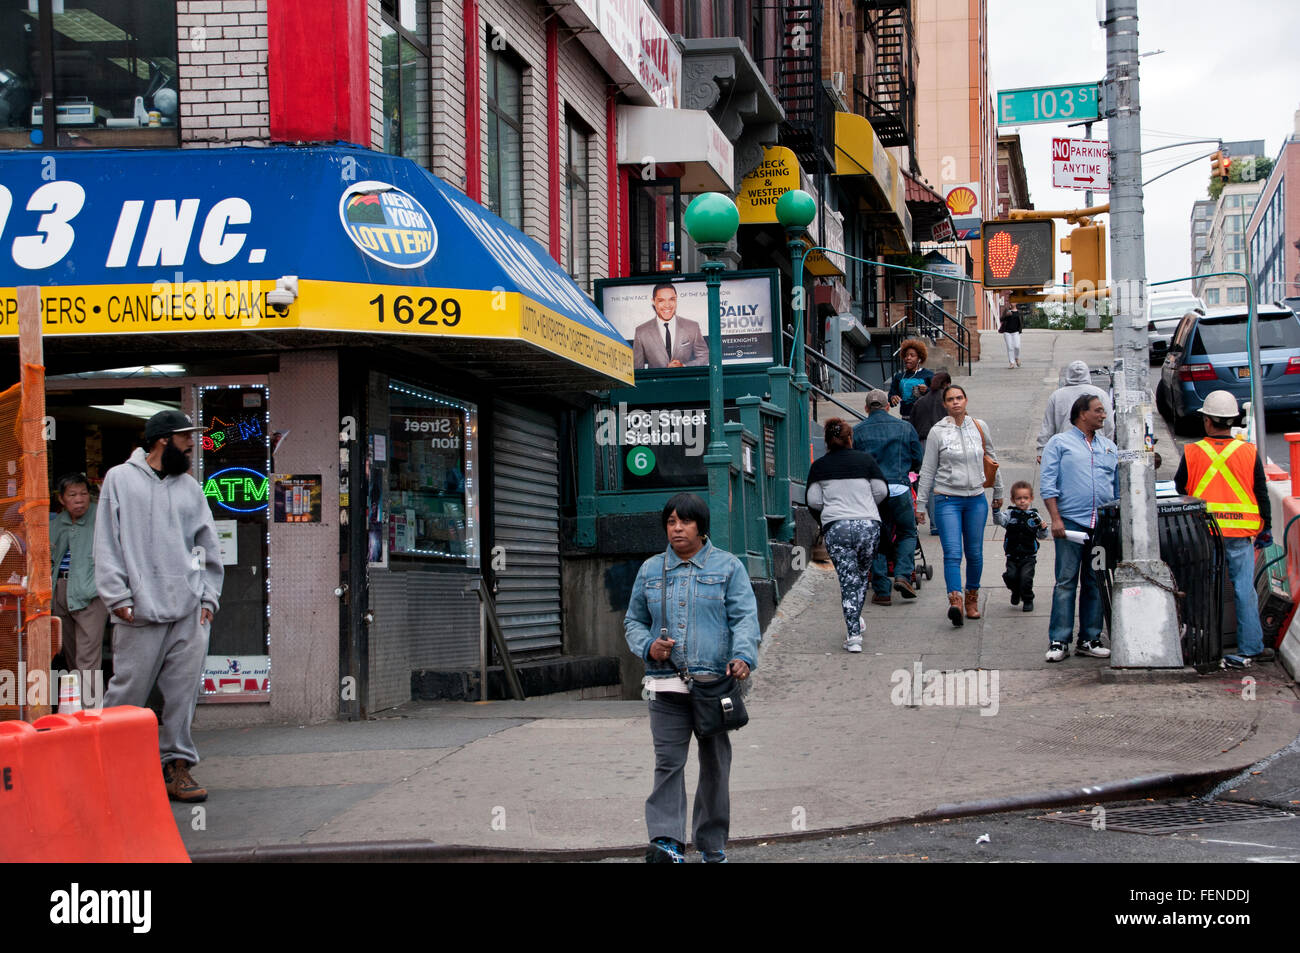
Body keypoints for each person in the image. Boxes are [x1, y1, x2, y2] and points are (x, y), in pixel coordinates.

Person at [95, 410, 224, 803]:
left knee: (182, 694)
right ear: (162, 439)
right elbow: (107, 542)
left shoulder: (190, 487)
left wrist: (207, 597)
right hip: (138, 609)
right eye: (186, 437)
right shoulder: (119, 479)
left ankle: (177, 767)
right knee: (127, 693)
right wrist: (117, 598)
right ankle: (108, 769)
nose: (192, 444)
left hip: (188, 612)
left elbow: (205, 545)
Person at [623, 492, 760, 863]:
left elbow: (745, 618)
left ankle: (712, 844)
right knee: (668, 763)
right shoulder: (651, 570)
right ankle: (666, 841)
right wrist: (649, 645)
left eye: (685, 521)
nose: (677, 528)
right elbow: (633, 621)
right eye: (671, 522)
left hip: (713, 686)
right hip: (665, 687)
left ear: (702, 527)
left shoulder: (728, 567)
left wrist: (743, 656)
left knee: (715, 766)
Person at [1174, 390, 1274, 662]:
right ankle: (1251, 647)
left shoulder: (1193, 452)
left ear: (1207, 420)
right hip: (1241, 533)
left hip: (1205, 533)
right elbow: (1261, 492)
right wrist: (1266, 528)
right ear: (1232, 421)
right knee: (1244, 590)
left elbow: (1180, 489)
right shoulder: (1248, 451)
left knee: (1205, 588)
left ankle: (1206, 646)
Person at [915, 385, 1003, 627]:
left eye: (959, 398)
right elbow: (928, 469)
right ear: (944, 404)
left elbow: (992, 459)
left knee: (974, 553)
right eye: (950, 399)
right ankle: (956, 600)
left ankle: (972, 598)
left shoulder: (979, 426)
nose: (955, 402)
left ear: (966, 400)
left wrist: (998, 490)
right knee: (953, 553)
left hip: (975, 498)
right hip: (947, 499)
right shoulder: (937, 432)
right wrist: (921, 504)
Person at [1039, 394, 1119, 663]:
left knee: (1095, 582)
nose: (1103, 415)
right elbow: (1048, 483)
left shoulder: (1108, 447)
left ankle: (1090, 638)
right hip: (1071, 525)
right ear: (1082, 414)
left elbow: (1116, 486)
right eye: (1098, 410)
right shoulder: (1059, 444)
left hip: (1101, 527)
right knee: (1066, 582)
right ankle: (1059, 640)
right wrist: (1056, 519)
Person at [807, 418, 888, 650]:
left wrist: (831, 508)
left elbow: (813, 500)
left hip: (837, 526)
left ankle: (854, 635)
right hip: (867, 525)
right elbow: (881, 491)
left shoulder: (820, 466)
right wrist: (865, 504)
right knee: (861, 576)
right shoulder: (866, 461)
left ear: (827, 441)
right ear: (850, 438)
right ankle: (856, 619)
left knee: (847, 579)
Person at [852, 390, 924, 606]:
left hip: (873, 491)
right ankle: (903, 574)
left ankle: (882, 590)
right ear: (887, 406)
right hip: (900, 487)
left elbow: (854, 463)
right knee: (907, 532)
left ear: (866, 408)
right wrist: (905, 472)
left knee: (876, 537)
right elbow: (917, 458)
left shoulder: (857, 431)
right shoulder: (905, 427)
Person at [50, 472, 108, 696]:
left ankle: (94, 716)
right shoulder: (58, 523)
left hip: (90, 593)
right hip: (61, 594)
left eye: (83, 493)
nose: (79, 499)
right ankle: (79, 712)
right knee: (72, 657)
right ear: (62, 499)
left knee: (87, 659)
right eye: (72, 494)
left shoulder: (100, 518)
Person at [1036, 360, 1114, 461]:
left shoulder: (1056, 396)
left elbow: (1048, 426)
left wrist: (1042, 450)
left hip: (1064, 449)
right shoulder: (1100, 394)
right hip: (1095, 448)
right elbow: (1109, 425)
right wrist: (1107, 447)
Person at [992, 480, 1048, 612]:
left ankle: (1028, 599)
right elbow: (999, 520)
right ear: (1013, 499)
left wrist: (1044, 528)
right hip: (1012, 555)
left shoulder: (1034, 516)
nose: (1022, 501)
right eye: (1019, 498)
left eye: (1025, 498)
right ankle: (1015, 591)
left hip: (1028, 556)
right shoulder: (1010, 514)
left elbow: (1042, 535)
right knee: (1010, 576)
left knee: (1026, 579)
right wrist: (996, 510)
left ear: (1031, 499)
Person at [907, 369, 951, 535]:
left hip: (923, 442)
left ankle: (935, 524)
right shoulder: (946, 401)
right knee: (946, 480)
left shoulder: (920, 402)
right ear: (946, 384)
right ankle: (946, 520)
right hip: (945, 441)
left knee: (930, 483)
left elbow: (912, 426)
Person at [631, 283, 709, 369]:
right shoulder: (641, 332)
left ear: (676, 300)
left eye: (671, 299)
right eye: (661, 300)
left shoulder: (692, 327)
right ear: (653, 301)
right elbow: (637, 369)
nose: (667, 305)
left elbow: (705, 357)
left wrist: (684, 366)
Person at [887, 338, 934, 419]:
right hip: (906, 418)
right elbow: (891, 396)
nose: (908, 358)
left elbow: (938, 396)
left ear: (919, 358)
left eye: (912, 355)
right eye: (906, 355)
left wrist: (927, 390)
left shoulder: (928, 375)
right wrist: (892, 398)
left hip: (924, 419)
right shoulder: (898, 377)